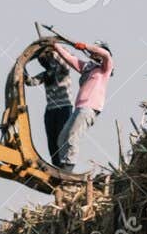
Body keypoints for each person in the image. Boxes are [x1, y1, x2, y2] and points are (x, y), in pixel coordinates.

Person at [47, 37, 114, 173]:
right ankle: (62, 167)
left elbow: (105, 54)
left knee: (72, 136)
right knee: (62, 138)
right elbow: (70, 59)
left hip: (89, 108)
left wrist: (86, 46)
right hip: (80, 108)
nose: (94, 54)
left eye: (96, 51)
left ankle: (68, 168)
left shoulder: (105, 68)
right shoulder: (89, 68)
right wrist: (55, 46)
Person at [26, 49, 74, 167]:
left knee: (61, 138)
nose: (42, 62)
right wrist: (23, 66)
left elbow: (64, 63)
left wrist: (52, 51)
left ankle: (64, 165)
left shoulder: (63, 70)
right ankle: (56, 165)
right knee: (51, 140)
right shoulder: (46, 74)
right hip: (50, 110)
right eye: (40, 60)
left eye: (44, 59)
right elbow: (30, 82)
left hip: (64, 108)